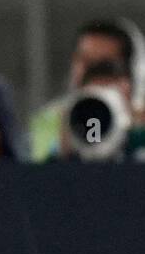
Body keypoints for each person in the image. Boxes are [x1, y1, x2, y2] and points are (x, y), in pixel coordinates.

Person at [30, 19, 145, 161]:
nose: (94, 73)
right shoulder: (49, 121)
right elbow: (36, 176)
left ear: (131, 75)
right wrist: (63, 151)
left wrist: (136, 136)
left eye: (106, 66)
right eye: (86, 61)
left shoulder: (141, 124)